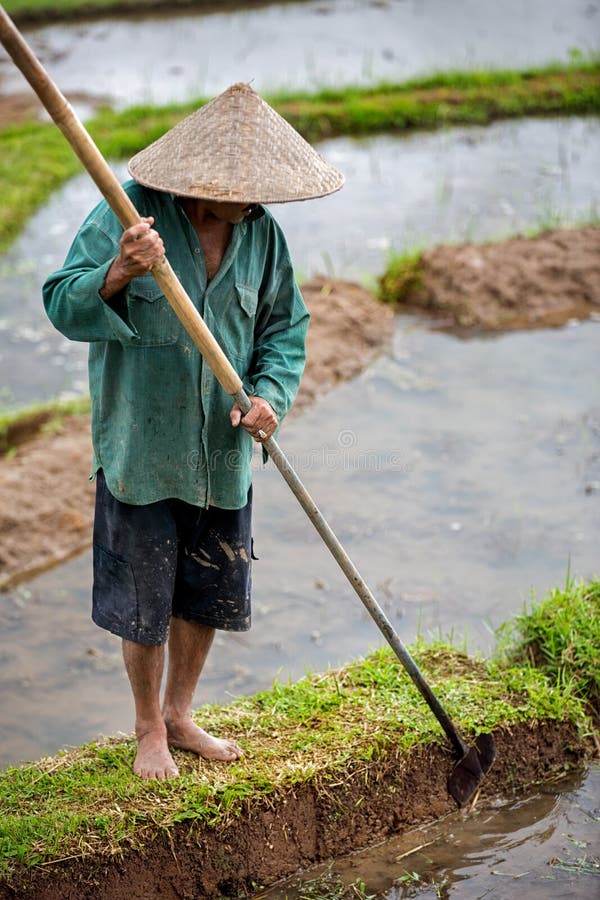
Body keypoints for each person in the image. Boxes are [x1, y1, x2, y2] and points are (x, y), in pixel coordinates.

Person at [43, 82, 343, 780]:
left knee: (205, 591)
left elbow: (284, 328)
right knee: (144, 601)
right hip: (141, 451)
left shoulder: (262, 233)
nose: (250, 204)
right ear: (196, 182)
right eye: (238, 192)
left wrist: (270, 396)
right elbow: (61, 301)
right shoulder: (127, 216)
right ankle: (147, 727)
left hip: (222, 450)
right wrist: (118, 270)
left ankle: (180, 714)